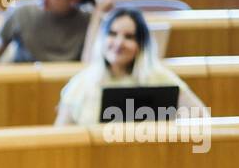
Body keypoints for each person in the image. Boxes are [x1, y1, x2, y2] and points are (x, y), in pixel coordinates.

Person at [54, 7, 205, 127]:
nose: (119, 43)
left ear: (141, 45)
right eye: (112, 34)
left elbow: (201, 116)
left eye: (129, 37)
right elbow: (61, 137)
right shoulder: (81, 83)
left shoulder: (160, 77)